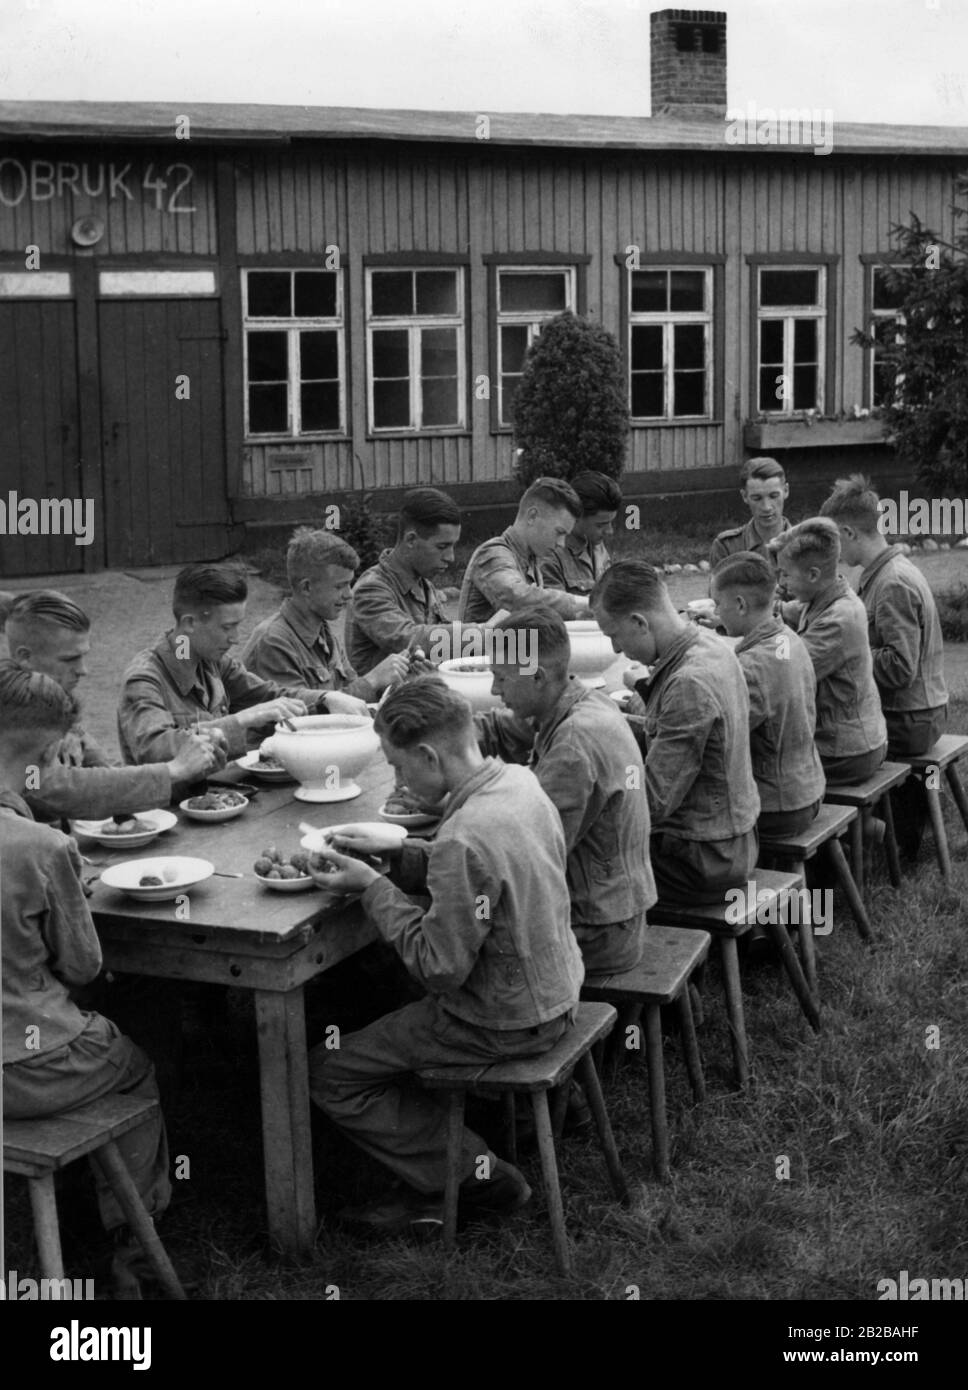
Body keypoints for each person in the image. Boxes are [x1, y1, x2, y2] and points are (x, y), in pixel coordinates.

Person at [306, 677, 584, 1237]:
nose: (398, 781)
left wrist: (371, 888)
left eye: (400, 767)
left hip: (501, 1019)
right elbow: (486, 871)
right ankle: (452, 1133)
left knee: (330, 1070)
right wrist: (400, 853)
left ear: (429, 755)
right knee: (381, 1000)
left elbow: (438, 967)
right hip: (557, 991)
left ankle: (468, 1177)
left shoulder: (463, 835)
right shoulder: (519, 781)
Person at [0, 661, 172, 1296]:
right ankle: (130, 1253)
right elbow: (83, 967)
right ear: (45, 753)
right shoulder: (39, 847)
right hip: (28, 1067)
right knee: (139, 1064)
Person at [475, 606, 654, 974]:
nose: (494, 690)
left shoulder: (573, 744)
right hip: (614, 913)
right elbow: (502, 729)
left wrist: (454, 810)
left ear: (537, 677)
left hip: (595, 932)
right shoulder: (582, 701)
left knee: (453, 931)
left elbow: (524, 860)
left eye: (501, 678)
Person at [591, 560, 760, 905]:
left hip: (702, 860)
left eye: (614, 636)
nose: (615, 651)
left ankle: (618, 956)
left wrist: (594, 784)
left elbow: (652, 801)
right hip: (731, 839)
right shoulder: (710, 647)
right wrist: (616, 726)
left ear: (639, 622)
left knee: (575, 867)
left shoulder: (688, 682)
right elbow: (671, 734)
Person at [0, 590, 220, 822]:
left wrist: (184, 775)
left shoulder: (47, 704)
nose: (83, 670)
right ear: (25, 657)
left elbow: (102, 767)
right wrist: (172, 771)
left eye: (83, 656)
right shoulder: (15, 715)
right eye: (69, 659)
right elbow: (38, 788)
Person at [820, 475, 948, 857]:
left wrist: (849, 654)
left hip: (910, 718)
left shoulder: (892, 583)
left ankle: (861, 833)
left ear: (847, 532)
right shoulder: (884, 571)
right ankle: (866, 832)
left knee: (823, 739)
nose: (831, 552)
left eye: (832, 541)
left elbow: (899, 668)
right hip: (915, 711)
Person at [117, 562, 344, 766]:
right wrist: (240, 720)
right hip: (168, 810)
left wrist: (326, 699)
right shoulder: (145, 680)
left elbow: (269, 696)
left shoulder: (211, 661)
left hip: (218, 796)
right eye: (227, 627)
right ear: (189, 623)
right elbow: (153, 749)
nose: (235, 638)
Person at [711, 552, 825, 839]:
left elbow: (716, 739)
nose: (716, 613)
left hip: (778, 807)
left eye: (717, 604)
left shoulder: (752, 667)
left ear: (739, 605)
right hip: (808, 788)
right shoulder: (790, 638)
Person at [771, 519, 887, 787]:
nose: (781, 582)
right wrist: (727, 616)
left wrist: (763, 632)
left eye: (786, 574)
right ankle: (862, 827)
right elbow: (786, 611)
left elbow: (784, 669)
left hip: (846, 751)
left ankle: (862, 828)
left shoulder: (838, 619)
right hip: (849, 742)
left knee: (758, 764)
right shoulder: (827, 598)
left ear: (812, 575)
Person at [242, 528, 407, 700]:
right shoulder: (274, 641)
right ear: (306, 587)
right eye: (339, 586)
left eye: (349, 584)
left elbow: (351, 693)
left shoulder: (323, 633)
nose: (349, 594)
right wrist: (372, 680)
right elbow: (300, 716)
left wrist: (393, 681)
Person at [345, 488, 477, 675]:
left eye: (453, 546)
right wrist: (482, 632)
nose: (451, 557)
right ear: (411, 540)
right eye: (442, 546)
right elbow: (408, 638)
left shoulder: (424, 584)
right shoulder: (371, 589)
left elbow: (440, 643)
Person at [458, 477, 588, 624]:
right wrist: (585, 603)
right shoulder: (493, 553)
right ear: (532, 516)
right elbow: (516, 598)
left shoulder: (531, 560)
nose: (561, 544)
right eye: (559, 532)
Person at [540, 471, 621, 596]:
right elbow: (553, 611)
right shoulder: (550, 556)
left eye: (610, 523)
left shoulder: (595, 542)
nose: (609, 531)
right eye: (600, 525)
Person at [709, 457, 792, 568]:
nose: (766, 507)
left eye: (773, 496)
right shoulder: (727, 547)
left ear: (786, 491)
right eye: (757, 498)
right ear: (744, 496)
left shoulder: (808, 544)